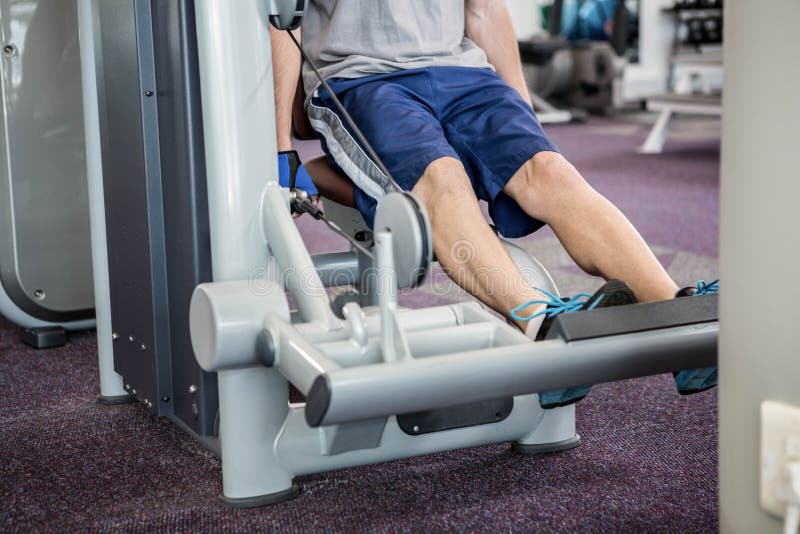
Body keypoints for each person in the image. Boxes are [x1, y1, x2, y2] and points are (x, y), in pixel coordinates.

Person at [271, 0, 717, 407]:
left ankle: (679, 317)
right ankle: (542, 327)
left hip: (465, 73)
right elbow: (278, 17)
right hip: (362, 80)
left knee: (549, 172)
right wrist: (279, 145)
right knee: (442, 182)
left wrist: (523, 113)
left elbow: (483, 8)